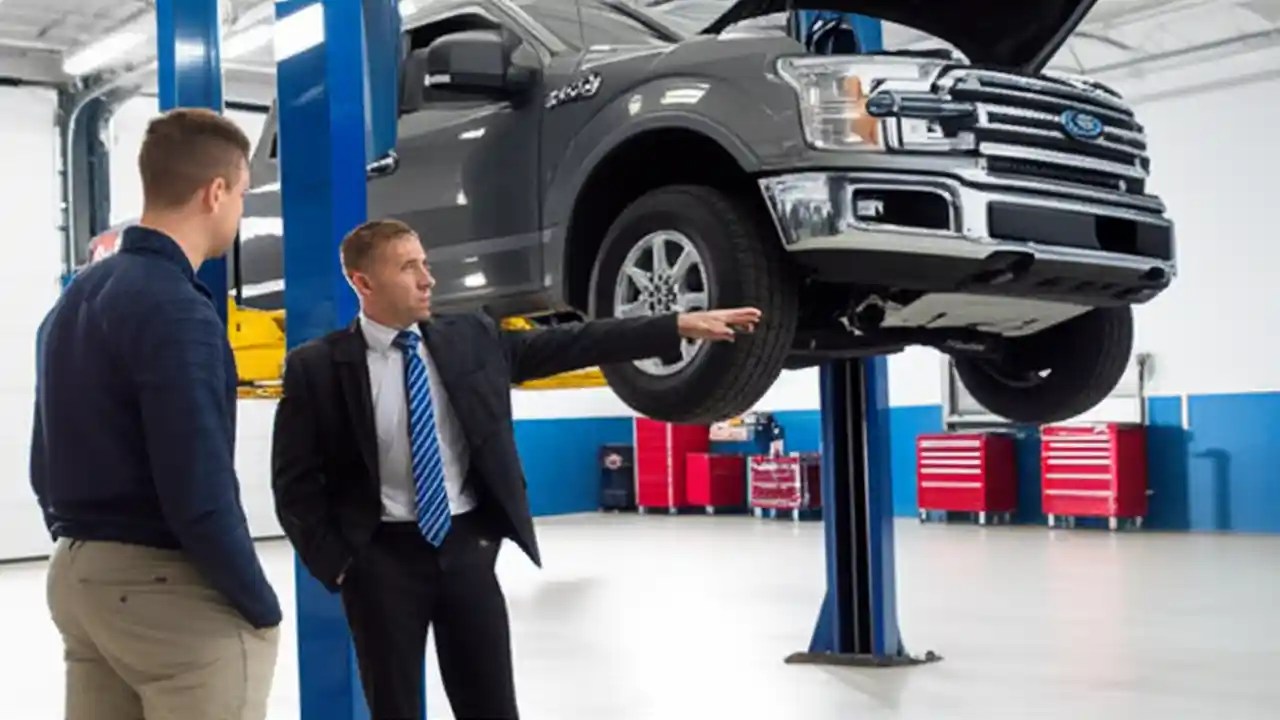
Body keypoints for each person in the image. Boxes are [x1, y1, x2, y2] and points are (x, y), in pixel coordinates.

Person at [271, 218, 761, 719]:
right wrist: (343, 564)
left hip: (466, 548)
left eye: (425, 263)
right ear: (364, 282)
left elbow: (575, 341)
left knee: (492, 706)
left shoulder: (470, 338)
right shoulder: (318, 368)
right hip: (381, 562)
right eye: (408, 268)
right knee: (394, 708)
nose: (427, 279)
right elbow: (294, 484)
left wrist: (673, 325)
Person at [30, 108, 282, 720]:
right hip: (165, 591)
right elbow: (197, 486)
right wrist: (258, 604)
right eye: (242, 194)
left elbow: (43, 462)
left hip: (79, 577)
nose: (239, 210)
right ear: (215, 192)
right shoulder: (177, 308)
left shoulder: (75, 300)